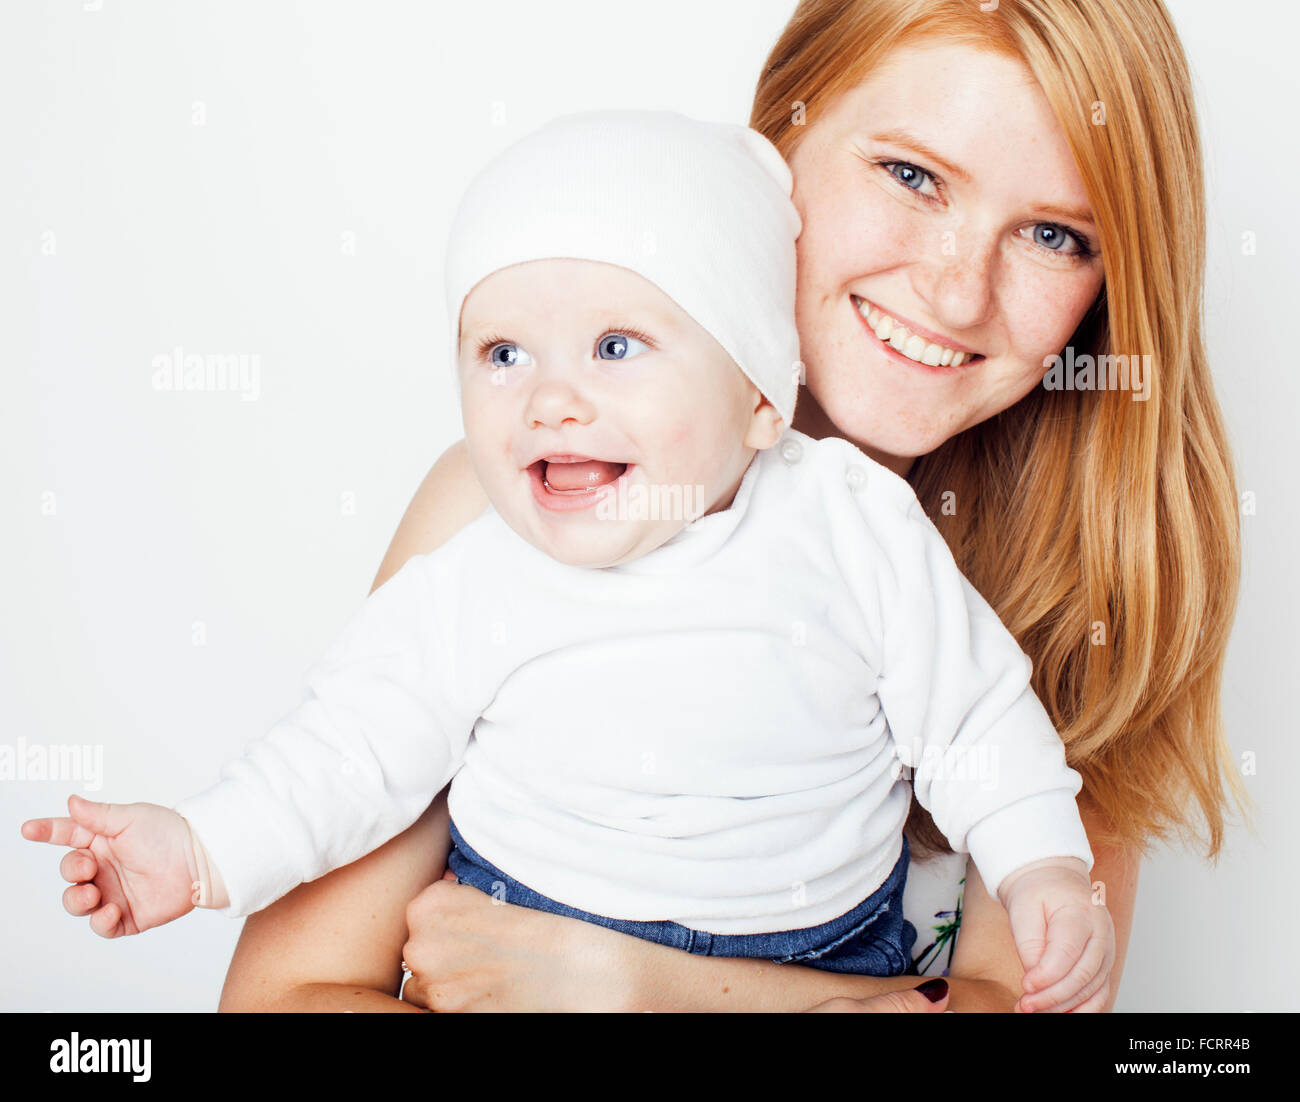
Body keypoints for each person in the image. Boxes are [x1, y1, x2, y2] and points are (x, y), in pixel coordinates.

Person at [48, 0, 1245, 1014]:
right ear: (772, 157)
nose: (956, 285)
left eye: (1052, 234)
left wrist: (631, 982)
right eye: (911, 174)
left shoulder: (1083, 590)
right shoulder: (522, 514)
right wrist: (194, 849)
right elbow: (291, 984)